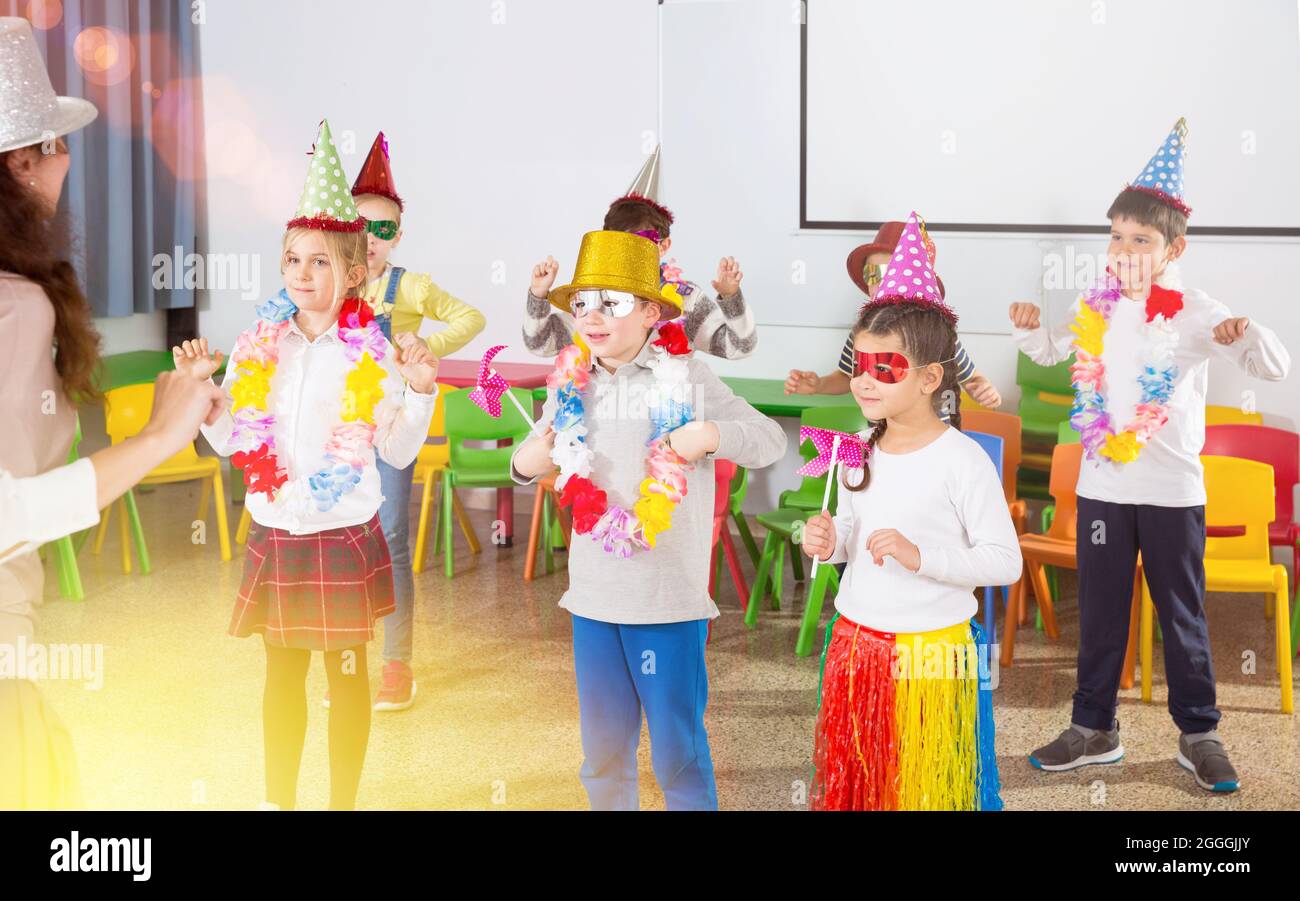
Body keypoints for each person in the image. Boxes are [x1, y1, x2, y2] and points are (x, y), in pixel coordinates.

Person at [1010, 119, 1290, 792]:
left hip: (1171, 492)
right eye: (1116, 236)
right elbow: (1057, 351)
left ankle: (1199, 734)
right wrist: (1030, 330)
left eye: (1142, 239)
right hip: (1106, 485)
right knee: (1102, 610)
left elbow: (1272, 367)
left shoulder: (1196, 310)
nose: (1125, 248)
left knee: (1181, 614)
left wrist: (1247, 332)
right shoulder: (1095, 305)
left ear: (1172, 248)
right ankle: (1094, 728)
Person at [176, 121, 440, 810]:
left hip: (342, 532)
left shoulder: (374, 354)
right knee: (280, 676)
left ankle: (341, 803)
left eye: (319, 262)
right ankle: (277, 802)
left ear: (354, 272)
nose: (301, 273)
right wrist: (207, 401)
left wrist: (417, 392)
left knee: (348, 677)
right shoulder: (260, 346)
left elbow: (398, 452)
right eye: (292, 259)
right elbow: (235, 441)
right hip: (276, 528)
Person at [510, 230, 786, 810]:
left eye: (611, 302)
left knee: (675, 752)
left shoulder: (686, 379)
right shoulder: (571, 383)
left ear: (651, 311)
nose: (591, 316)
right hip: (593, 599)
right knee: (603, 752)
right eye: (582, 303)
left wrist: (710, 436)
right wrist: (528, 460)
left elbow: (770, 439)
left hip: (666, 601)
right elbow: (529, 458)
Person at [800, 212, 1018, 810]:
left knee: (927, 792)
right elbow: (850, 535)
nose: (864, 382)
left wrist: (920, 557)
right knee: (864, 787)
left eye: (885, 368)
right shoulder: (855, 449)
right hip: (857, 643)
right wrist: (828, 541)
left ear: (928, 378)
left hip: (932, 655)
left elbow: (1005, 563)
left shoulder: (963, 459)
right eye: (859, 367)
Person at [349, 131, 486, 711]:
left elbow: (471, 316)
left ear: (396, 235)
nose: (371, 239)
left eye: (383, 229)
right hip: (339, 431)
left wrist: (422, 344)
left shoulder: (410, 287)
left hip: (393, 428)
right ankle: (349, 658)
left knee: (391, 537)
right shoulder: (328, 279)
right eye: (361, 225)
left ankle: (395, 664)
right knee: (343, 540)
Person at [523, 145, 757, 361]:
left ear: (663, 246)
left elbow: (739, 347)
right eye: (618, 241)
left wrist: (731, 298)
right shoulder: (590, 297)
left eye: (640, 242)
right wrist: (539, 293)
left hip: (664, 404)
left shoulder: (685, 299)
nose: (628, 251)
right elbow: (541, 344)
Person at [783, 220, 1002, 411]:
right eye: (871, 274)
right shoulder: (863, 333)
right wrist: (818, 385)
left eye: (890, 273)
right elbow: (847, 376)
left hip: (932, 441)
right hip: (883, 439)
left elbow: (972, 378)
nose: (878, 283)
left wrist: (983, 389)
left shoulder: (936, 335)